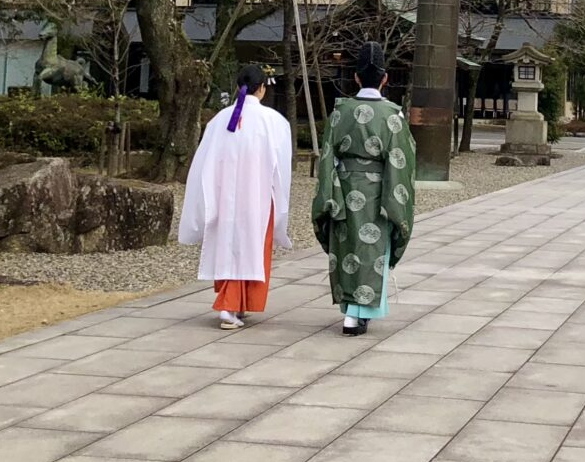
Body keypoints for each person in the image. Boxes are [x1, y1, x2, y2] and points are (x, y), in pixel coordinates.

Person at [178, 63, 293, 331]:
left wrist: (207, 200)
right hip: (259, 197)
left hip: (225, 196)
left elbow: (204, 163)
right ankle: (229, 306)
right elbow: (281, 167)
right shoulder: (274, 122)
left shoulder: (219, 121)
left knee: (228, 247)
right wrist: (279, 194)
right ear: (262, 88)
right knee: (251, 249)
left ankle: (236, 303)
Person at [312, 42, 416, 335]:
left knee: (347, 249)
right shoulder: (393, 117)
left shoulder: (339, 112)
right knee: (371, 251)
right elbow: (401, 164)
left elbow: (327, 158)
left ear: (356, 77)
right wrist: (396, 202)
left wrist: (330, 196)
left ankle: (349, 312)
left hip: (343, 189)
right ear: (384, 79)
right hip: (378, 192)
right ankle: (358, 316)